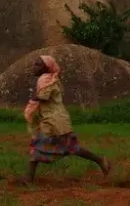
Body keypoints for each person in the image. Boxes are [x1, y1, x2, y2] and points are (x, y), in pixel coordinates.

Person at [21, 55, 111, 184]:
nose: (34, 67)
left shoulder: (46, 80)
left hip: (54, 121)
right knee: (58, 146)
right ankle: (100, 160)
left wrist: (32, 103)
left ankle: (100, 160)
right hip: (53, 119)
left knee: (55, 146)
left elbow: (44, 97)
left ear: (46, 67)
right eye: (34, 64)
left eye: (38, 65)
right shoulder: (50, 79)